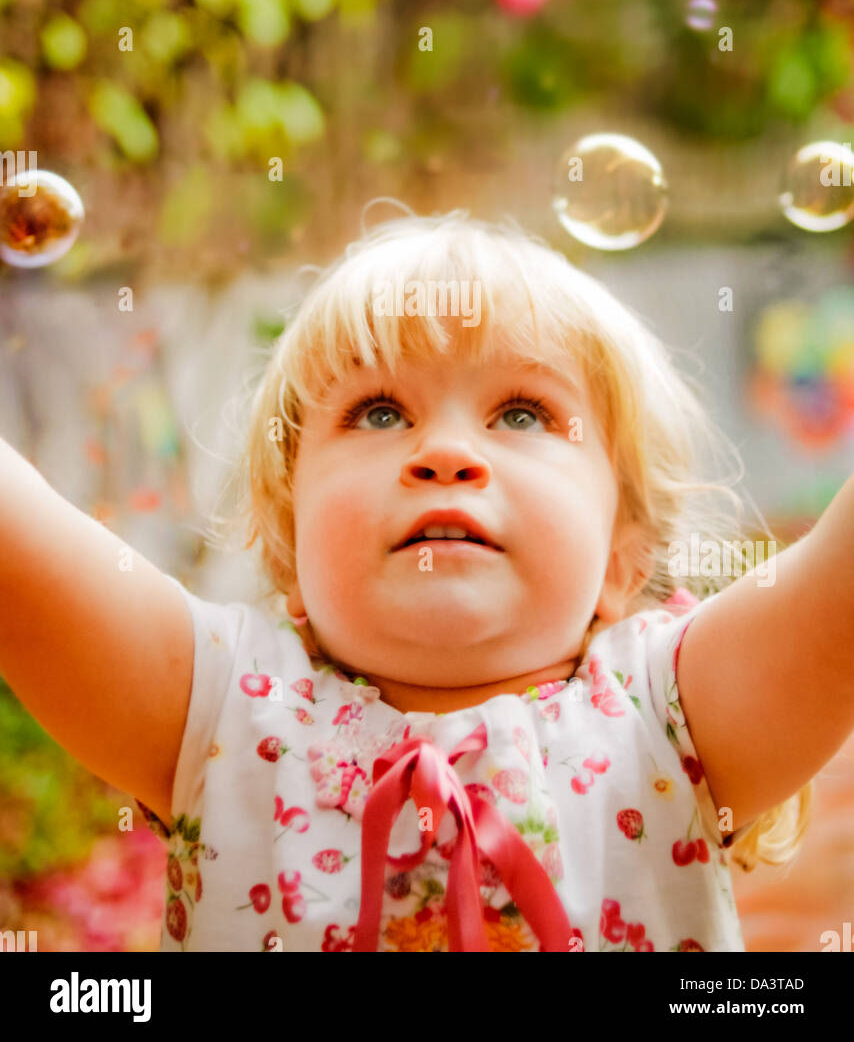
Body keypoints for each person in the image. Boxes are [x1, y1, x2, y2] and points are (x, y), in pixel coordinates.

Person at [2, 208, 850, 952]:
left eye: (522, 413)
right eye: (378, 412)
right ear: (290, 549)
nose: (445, 454)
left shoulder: (670, 714)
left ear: (624, 558)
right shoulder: (218, 708)